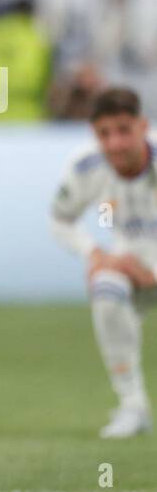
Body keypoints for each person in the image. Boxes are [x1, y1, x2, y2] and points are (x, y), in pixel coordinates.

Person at [51, 86, 157, 438]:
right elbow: (60, 219)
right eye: (104, 134)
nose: (115, 144)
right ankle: (133, 405)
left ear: (143, 126)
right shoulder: (86, 166)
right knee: (106, 286)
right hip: (131, 267)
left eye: (124, 130)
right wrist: (95, 254)